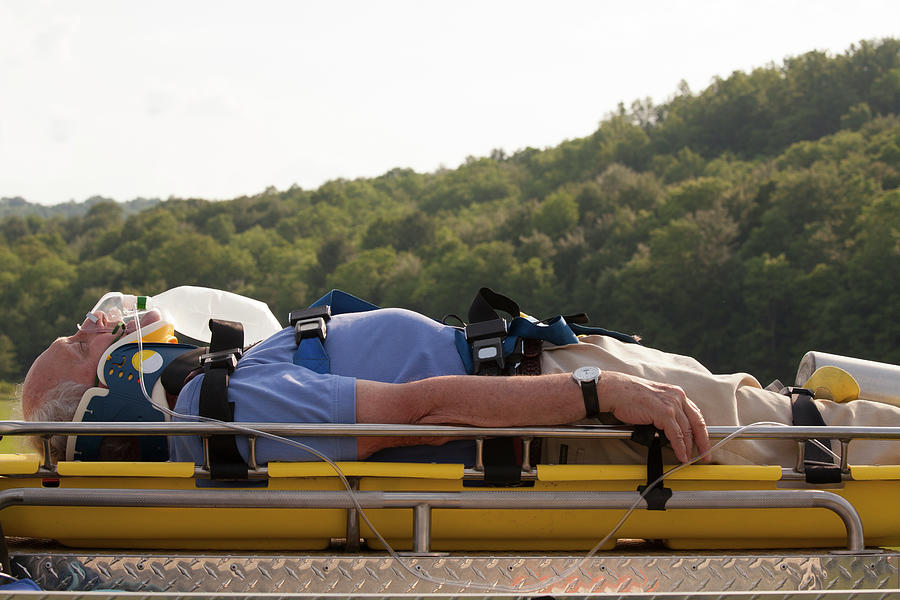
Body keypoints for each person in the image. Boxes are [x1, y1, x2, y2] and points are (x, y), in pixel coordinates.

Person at [20, 293, 900, 468]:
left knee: (790, 404)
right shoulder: (235, 403)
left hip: (546, 371)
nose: (100, 321)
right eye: (78, 338)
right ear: (108, 386)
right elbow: (424, 407)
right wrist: (600, 394)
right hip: (567, 400)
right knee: (796, 424)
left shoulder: (227, 384)